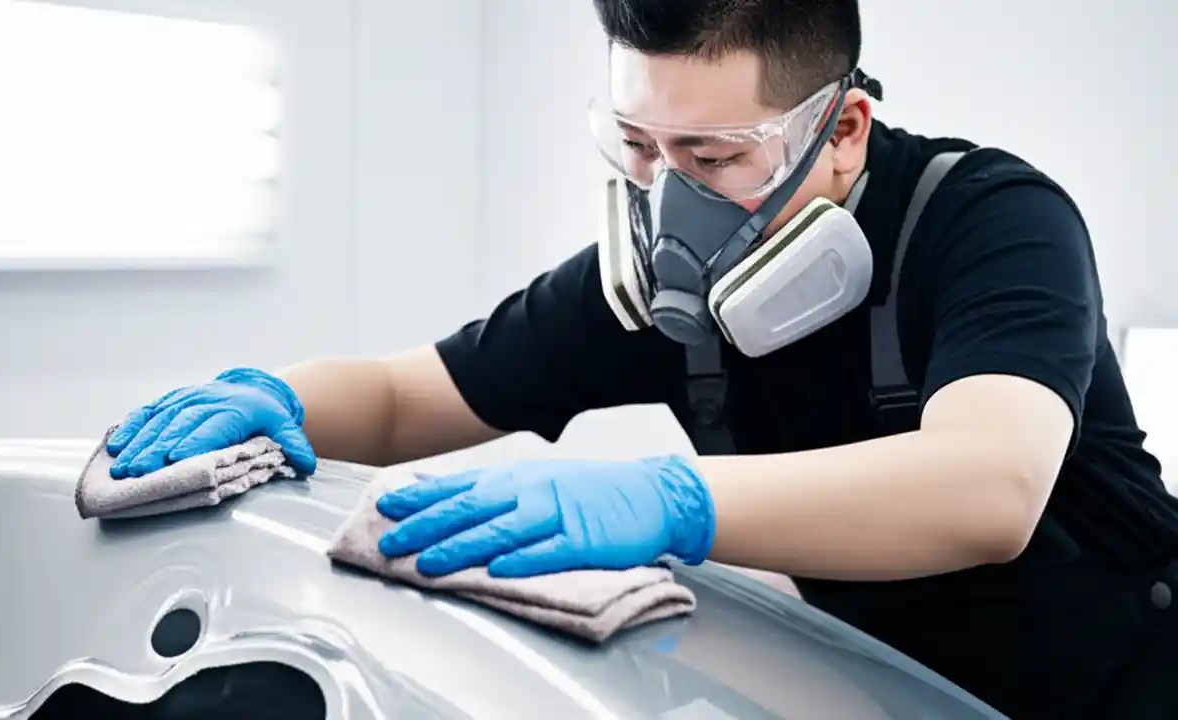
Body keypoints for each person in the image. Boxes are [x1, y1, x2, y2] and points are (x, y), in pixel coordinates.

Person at [103, 1, 1178, 716]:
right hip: (899, 690)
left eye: (711, 157)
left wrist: (667, 499)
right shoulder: (662, 291)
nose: (668, 202)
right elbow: (403, 397)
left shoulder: (989, 220)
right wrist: (270, 393)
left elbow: (986, 489)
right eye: (636, 147)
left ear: (841, 130)